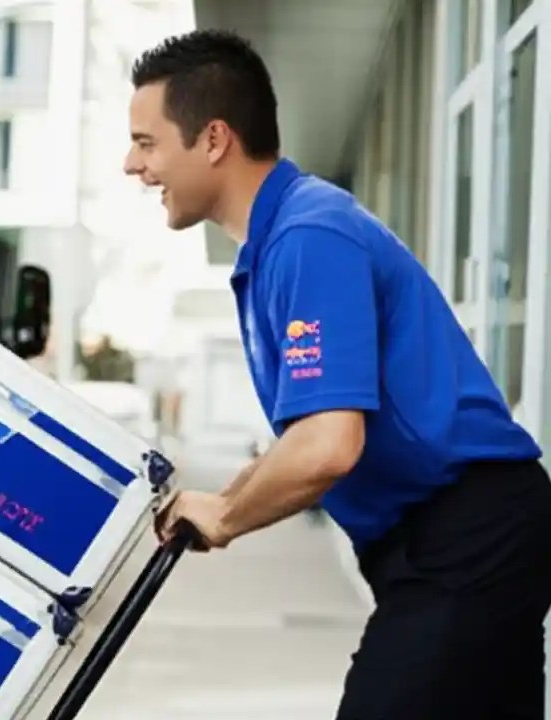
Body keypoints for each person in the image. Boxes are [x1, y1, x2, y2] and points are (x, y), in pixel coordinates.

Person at [128, 29, 551, 719]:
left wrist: (228, 515)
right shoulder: (280, 243)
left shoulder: (308, 236)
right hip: (453, 539)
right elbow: (308, 437)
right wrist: (223, 498)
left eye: (147, 143)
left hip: (468, 537)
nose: (133, 165)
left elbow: (328, 444)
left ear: (213, 139)